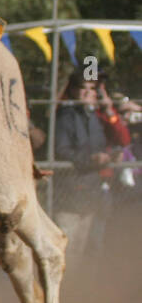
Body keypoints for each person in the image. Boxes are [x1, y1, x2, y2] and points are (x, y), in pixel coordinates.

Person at [52, 69, 115, 258]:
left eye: (92, 88)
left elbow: (114, 137)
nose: (88, 92)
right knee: (64, 254)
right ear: (72, 90)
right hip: (69, 198)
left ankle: (78, 288)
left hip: (91, 195)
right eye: (83, 88)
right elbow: (61, 149)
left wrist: (110, 155)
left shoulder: (94, 117)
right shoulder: (65, 116)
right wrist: (91, 160)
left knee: (84, 253)